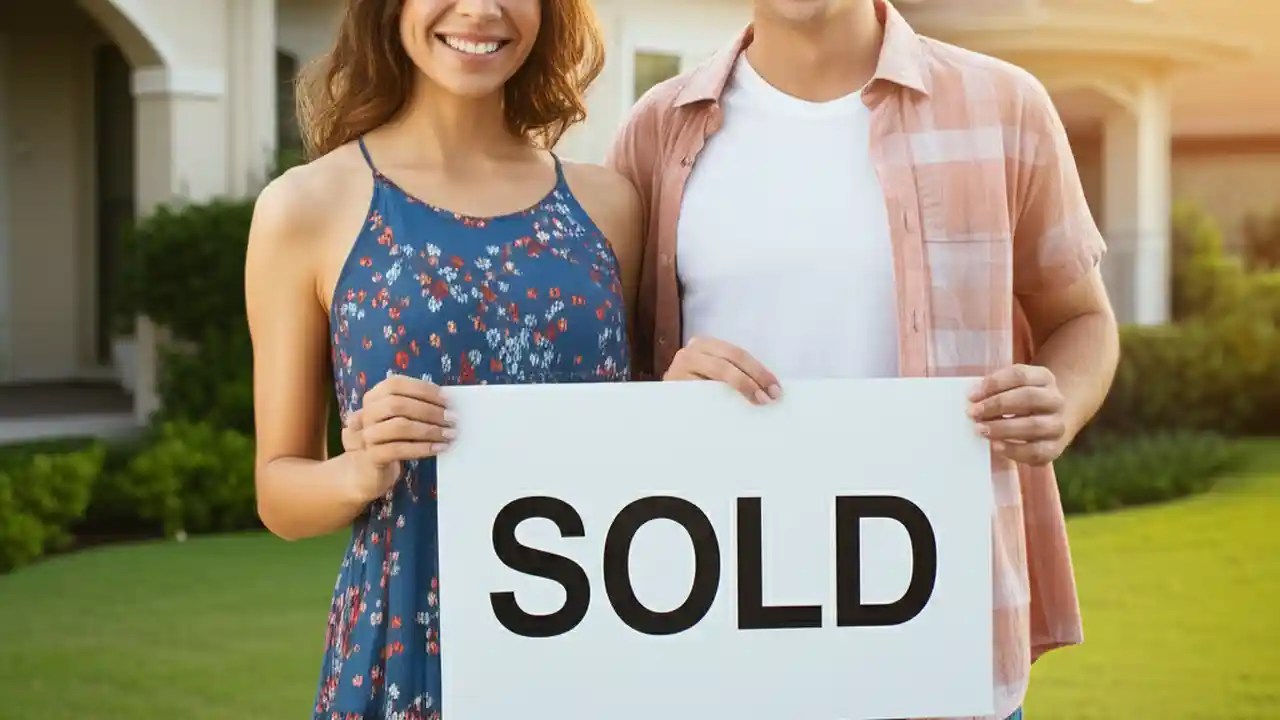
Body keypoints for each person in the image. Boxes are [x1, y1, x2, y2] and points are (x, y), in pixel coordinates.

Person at [607, 0, 1119, 718]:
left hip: (940, 641)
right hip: (722, 639)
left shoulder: (1006, 107)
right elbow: (610, 380)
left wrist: (1060, 401)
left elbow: (1083, 319)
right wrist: (662, 393)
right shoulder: (656, 131)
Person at [245, 0, 641, 717]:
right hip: (404, 642)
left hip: (595, 638)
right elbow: (279, 493)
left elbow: (643, 442)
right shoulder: (305, 207)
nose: (482, 10)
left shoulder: (610, 205)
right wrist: (357, 471)